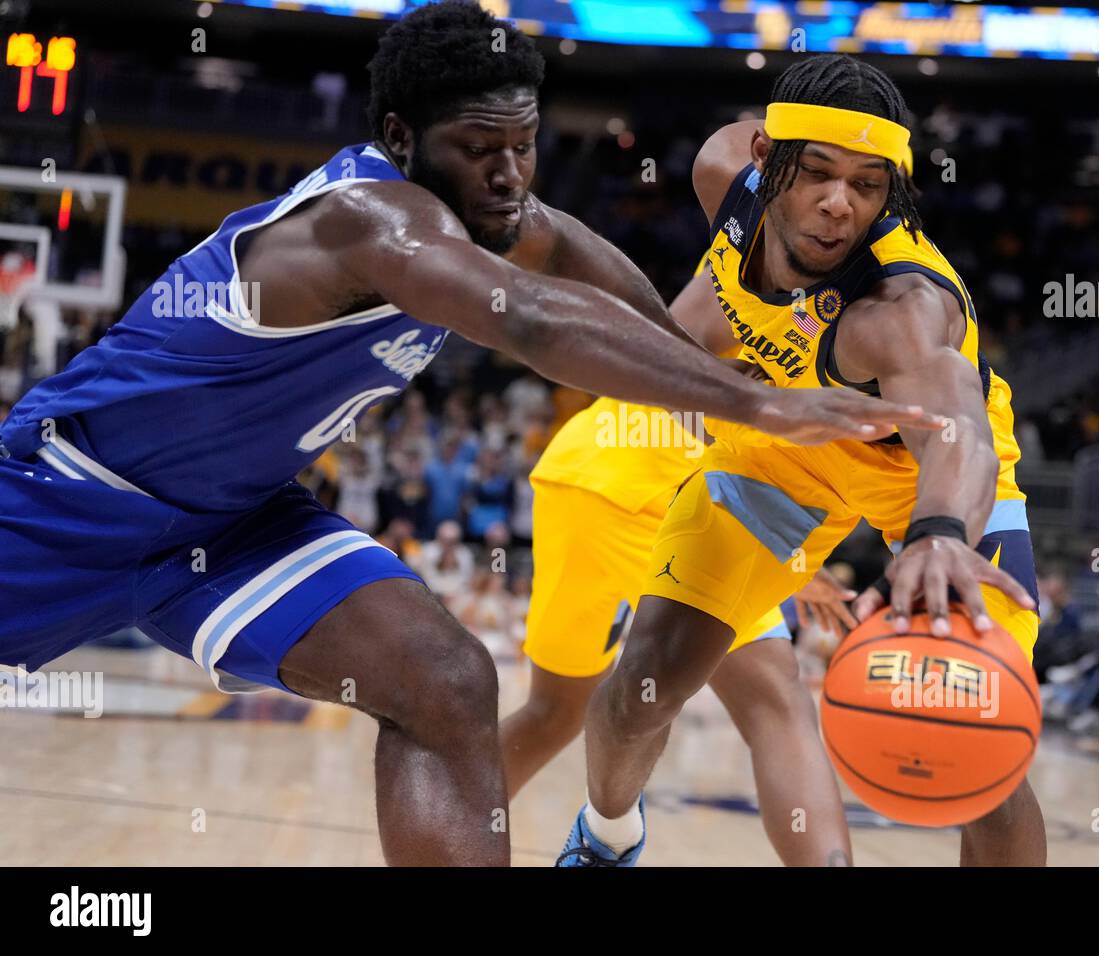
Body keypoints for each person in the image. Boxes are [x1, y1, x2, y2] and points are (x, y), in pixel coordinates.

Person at [0, 5, 935, 867]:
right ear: (401, 139)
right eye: (479, 148)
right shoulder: (371, 224)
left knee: (446, 679)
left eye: (524, 146)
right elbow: (529, 318)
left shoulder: (498, 212)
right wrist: (762, 404)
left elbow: (562, 250)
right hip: (70, 496)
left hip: (238, 524)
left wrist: (711, 373)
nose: (508, 175)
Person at [560, 55, 1040, 867]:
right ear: (763, 160)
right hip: (785, 448)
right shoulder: (722, 173)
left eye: (866, 183)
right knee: (643, 684)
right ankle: (607, 838)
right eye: (816, 172)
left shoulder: (901, 305)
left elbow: (955, 425)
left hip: (926, 468)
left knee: (981, 729)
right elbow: (704, 318)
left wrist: (940, 531)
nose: (838, 203)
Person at [504, 268, 860, 866]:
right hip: (671, 492)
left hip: (582, 470)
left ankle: (441, 847)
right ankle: (609, 837)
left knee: (554, 711)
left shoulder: (778, 255)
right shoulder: (824, 285)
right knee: (776, 700)